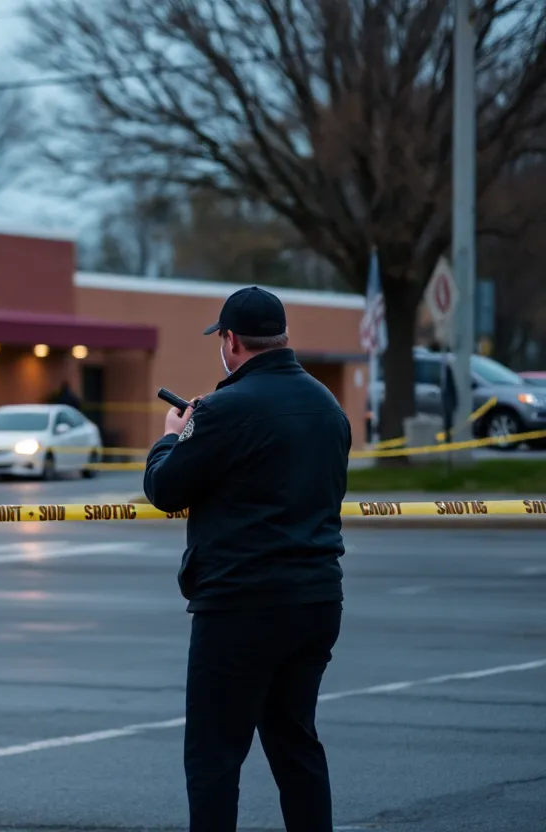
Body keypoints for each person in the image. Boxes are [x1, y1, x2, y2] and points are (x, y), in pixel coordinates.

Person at [142, 286, 351, 832]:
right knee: (296, 745)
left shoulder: (220, 410)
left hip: (241, 603)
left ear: (230, 341)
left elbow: (165, 488)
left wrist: (172, 437)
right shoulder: (327, 404)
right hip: (316, 597)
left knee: (214, 757)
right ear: (283, 338)